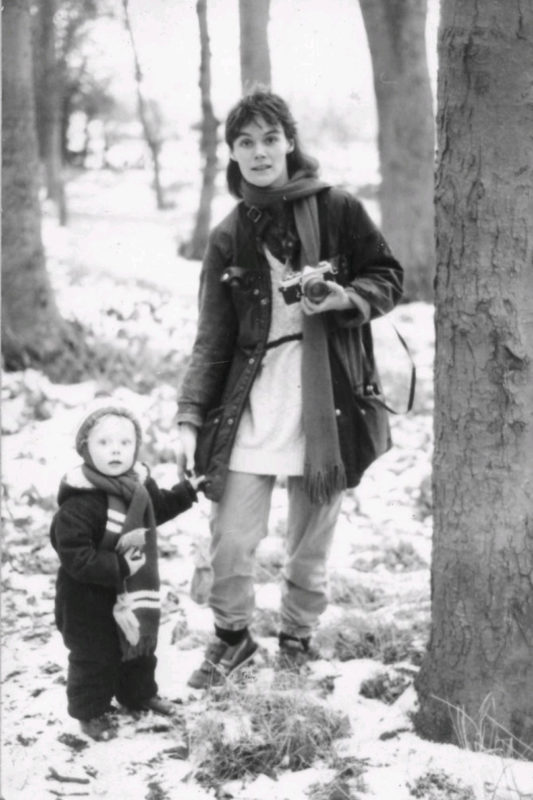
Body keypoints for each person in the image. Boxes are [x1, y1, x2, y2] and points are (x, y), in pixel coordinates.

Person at [177, 90, 403, 689]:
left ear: (290, 142)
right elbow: (212, 337)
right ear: (231, 153)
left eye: (270, 138)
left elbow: (388, 275)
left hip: (327, 399)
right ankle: (232, 639)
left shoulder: (337, 209)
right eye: (245, 142)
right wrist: (189, 417)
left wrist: (347, 299)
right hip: (254, 398)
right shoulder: (229, 234)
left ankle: (298, 639)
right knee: (231, 537)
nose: (259, 152)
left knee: (310, 538)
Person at [50, 403, 203, 740]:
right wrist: (118, 565)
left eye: (125, 442)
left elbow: (157, 509)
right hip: (86, 598)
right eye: (104, 443)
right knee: (95, 656)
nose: (116, 449)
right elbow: (75, 556)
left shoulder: (138, 487)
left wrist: (187, 492)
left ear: (136, 447)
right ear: (85, 447)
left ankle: (138, 694)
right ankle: (90, 712)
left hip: (130, 589)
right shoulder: (80, 501)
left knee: (137, 644)